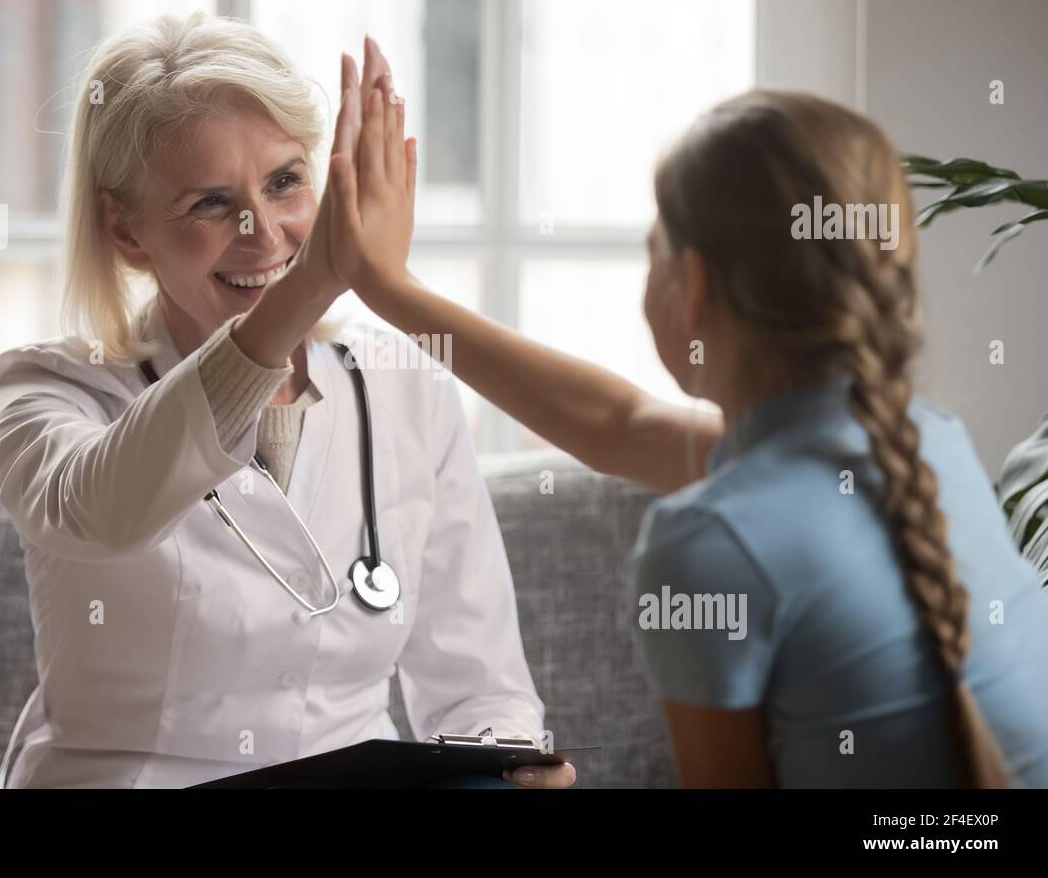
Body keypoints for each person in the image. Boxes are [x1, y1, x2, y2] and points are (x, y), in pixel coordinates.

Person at [328, 85, 1048, 787]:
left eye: (652, 251)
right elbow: (619, 424)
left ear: (692, 285)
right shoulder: (921, 440)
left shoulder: (708, 544)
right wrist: (390, 288)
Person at [0, 12, 573, 788]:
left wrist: (510, 761)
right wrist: (314, 283)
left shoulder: (404, 382)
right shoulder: (45, 390)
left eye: (286, 182)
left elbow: (476, 681)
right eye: (209, 203)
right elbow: (105, 507)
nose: (263, 235)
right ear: (125, 230)